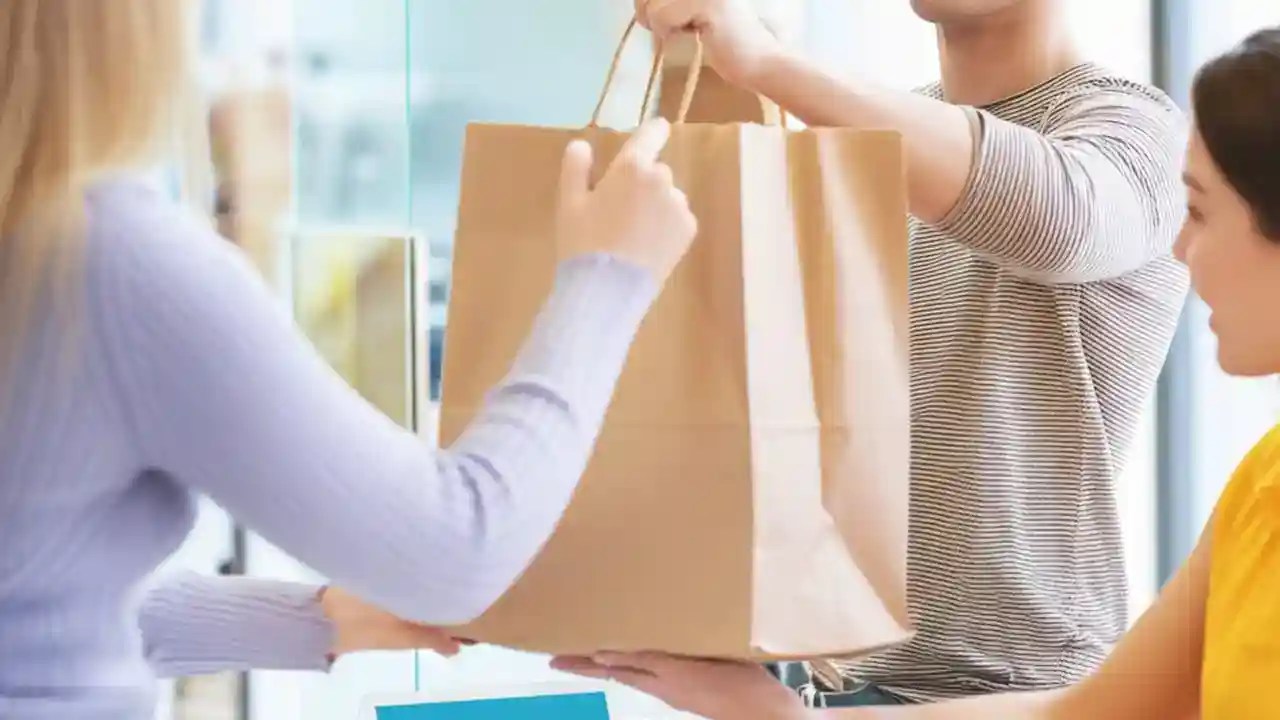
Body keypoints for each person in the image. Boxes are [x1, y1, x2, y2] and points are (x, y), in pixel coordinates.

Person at [555, 25, 1280, 720]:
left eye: (1202, 214)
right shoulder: (1258, 487)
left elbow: (1057, 219)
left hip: (1005, 679)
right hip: (837, 680)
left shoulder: (1126, 129)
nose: (1185, 247)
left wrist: (768, 64)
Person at [0, 2, 697, 718]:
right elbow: (455, 552)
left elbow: (37, 605)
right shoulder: (110, 263)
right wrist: (607, 276)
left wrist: (323, 618)